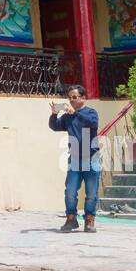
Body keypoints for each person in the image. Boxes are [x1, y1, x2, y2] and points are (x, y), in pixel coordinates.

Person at [48, 84, 99, 233]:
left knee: (91, 193)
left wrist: (75, 113)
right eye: (70, 98)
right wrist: (53, 114)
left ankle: (89, 220)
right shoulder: (68, 116)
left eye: (75, 97)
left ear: (84, 98)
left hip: (91, 158)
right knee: (70, 191)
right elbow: (55, 126)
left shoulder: (91, 113)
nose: (71, 100)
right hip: (75, 159)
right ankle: (71, 219)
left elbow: (92, 123)